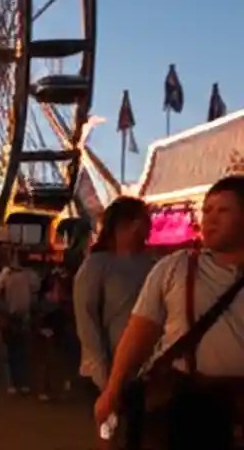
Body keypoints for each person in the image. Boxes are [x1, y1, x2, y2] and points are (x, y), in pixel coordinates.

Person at [95, 175, 244, 449]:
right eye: (207, 210)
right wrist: (113, 388)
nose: (211, 219)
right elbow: (140, 331)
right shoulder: (176, 267)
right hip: (186, 404)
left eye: (223, 211)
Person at [72, 196, 155, 394]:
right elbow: (86, 319)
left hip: (146, 370)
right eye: (146, 220)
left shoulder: (153, 264)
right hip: (107, 371)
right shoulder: (97, 265)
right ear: (132, 224)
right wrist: (103, 374)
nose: (150, 226)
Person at [0, 250, 37, 394]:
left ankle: (20, 382)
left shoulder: (26, 275)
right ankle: (15, 383)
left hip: (21, 317)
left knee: (19, 351)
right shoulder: (8, 275)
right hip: (11, 317)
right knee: (13, 351)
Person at [32, 270, 71, 401]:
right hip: (47, 333)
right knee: (46, 362)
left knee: (50, 362)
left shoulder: (56, 301)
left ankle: (48, 388)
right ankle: (44, 388)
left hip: (53, 333)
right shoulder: (48, 302)